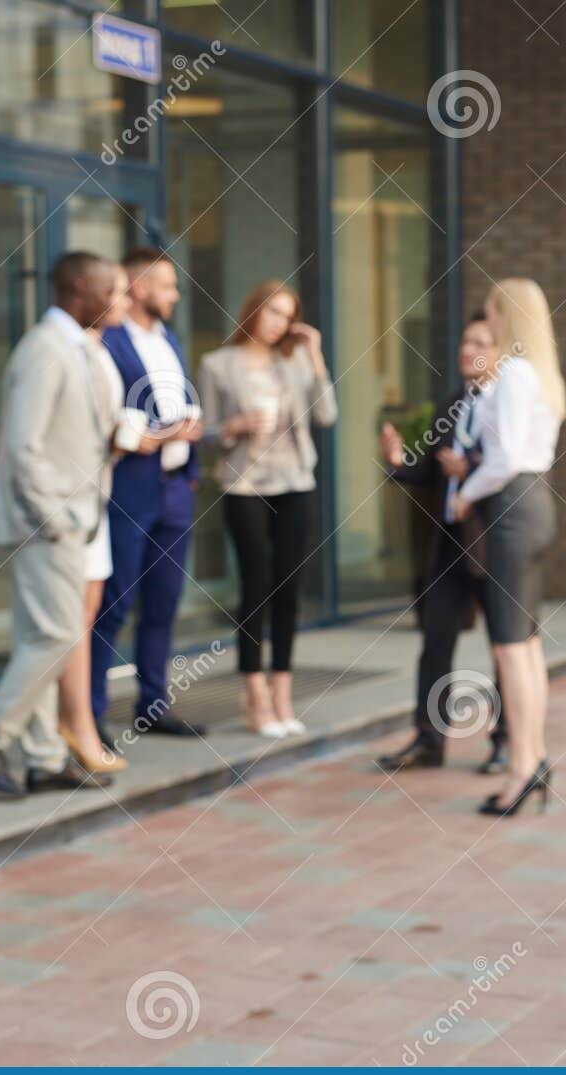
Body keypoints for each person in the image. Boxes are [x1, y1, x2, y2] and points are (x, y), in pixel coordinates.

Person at [0, 252, 129, 798]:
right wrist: (58, 517)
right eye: (110, 290)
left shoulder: (79, 348)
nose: (117, 300)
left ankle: (46, 759)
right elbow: (23, 447)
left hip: (71, 520)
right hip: (49, 523)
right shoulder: (45, 349)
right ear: (80, 288)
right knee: (56, 635)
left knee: (40, 634)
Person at [198, 280, 337, 737]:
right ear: (254, 310)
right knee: (256, 584)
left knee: (288, 587)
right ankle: (254, 696)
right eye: (272, 312)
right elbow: (205, 435)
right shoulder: (218, 365)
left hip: (294, 482)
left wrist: (314, 355)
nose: (278, 322)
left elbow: (326, 416)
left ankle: (282, 694)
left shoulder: (294, 362)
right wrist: (234, 426)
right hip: (244, 486)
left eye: (287, 314)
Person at [449, 279, 565, 817]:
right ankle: (534, 758)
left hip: (512, 509)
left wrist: (463, 498)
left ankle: (521, 769)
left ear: (506, 316)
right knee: (528, 645)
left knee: (511, 649)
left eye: (493, 311)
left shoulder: (515, 373)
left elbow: (506, 458)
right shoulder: (537, 372)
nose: (487, 320)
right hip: (533, 505)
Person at [374, 312, 509, 775]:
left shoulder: (507, 406)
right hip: (450, 541)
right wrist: (397, 460)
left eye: (480, 343)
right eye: (465, 342)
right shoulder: (453, 403)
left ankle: (506, 742)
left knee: (505, 646)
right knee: (435, 643)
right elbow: (432, 468)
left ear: (500, 353)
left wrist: (467, 470)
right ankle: (429, 740)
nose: (468, 350)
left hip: (494, 542)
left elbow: (511, 469)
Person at [90, 246, 207, 744]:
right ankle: (90, 713)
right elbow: (110, 417)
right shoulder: (108, 342)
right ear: (138, 288)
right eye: (166, 285)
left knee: (163, 603)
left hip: (176, 489)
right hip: (131, 489)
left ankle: (153, 704)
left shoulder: (170, 339)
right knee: (115, 603)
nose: (176, 294)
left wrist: (190, 463)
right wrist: (162, 435)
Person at [55, 266, 142, 774]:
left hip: (95, 500)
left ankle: (78, 722)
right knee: (72, 621)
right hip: (74, 504)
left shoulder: (98, 349)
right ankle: (76, 725)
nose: (125, 302)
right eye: (117, 293)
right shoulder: (68, 348)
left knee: (85, 617)